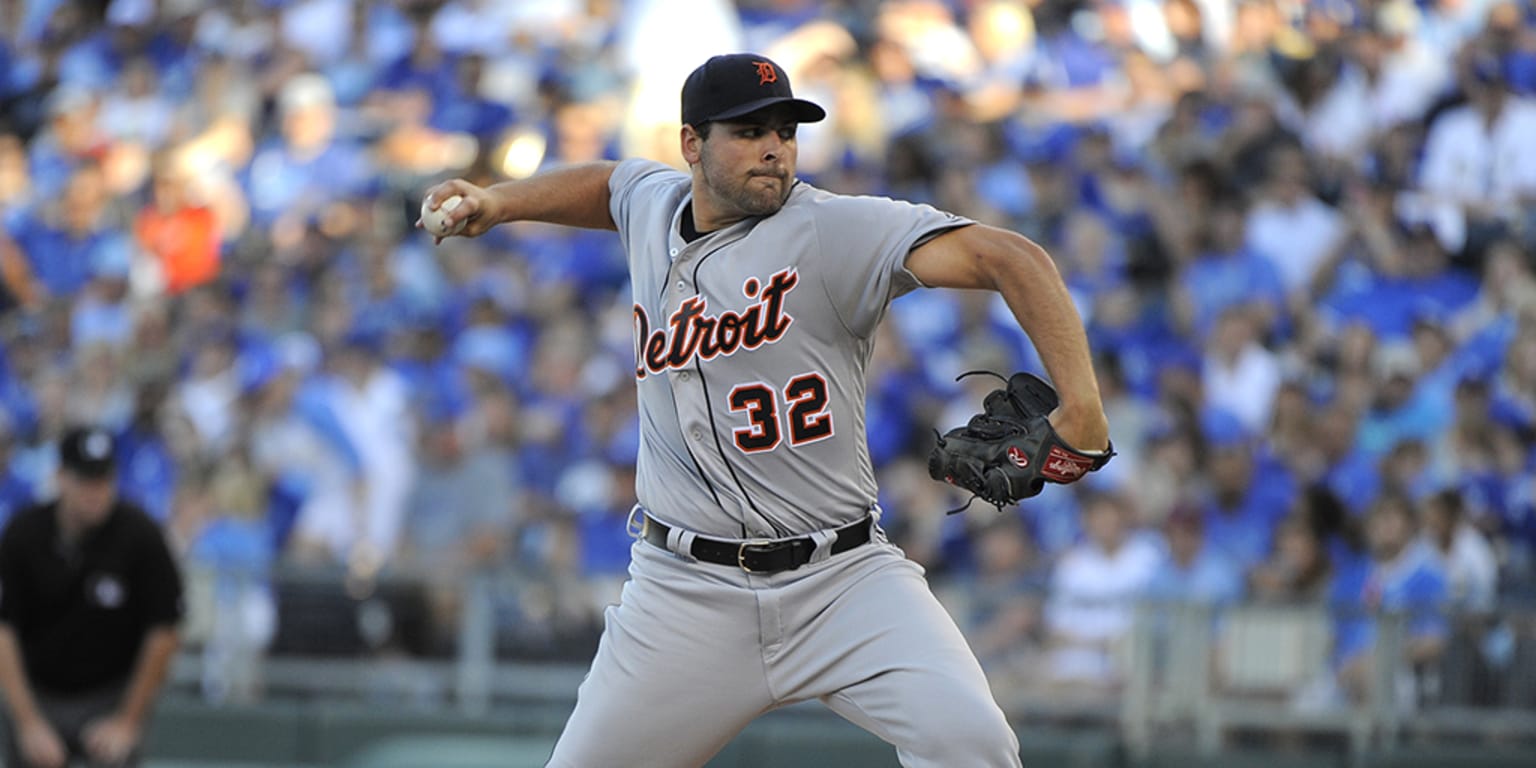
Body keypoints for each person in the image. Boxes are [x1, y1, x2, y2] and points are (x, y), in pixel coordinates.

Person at [421, 53, 1110, 768]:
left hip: (841, 579)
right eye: (748, 131)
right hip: (685, 595)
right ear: (692, 145)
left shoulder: (833, 230)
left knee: (974, 744)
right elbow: (608, 184)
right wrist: (501, 203)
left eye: (785, 129)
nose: (774, 147)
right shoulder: (653, 204)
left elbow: (1014, 258)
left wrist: (1083, 410)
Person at [0, 426, 184, 768]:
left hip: (110, 694)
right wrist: (28, 722)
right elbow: (3, 629)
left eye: (104, 480)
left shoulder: (140, 534)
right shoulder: (24, 533)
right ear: (60, 478)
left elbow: (165, 630)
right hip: (38, 692)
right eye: (85, 480)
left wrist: (128, 721)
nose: (95, 492)